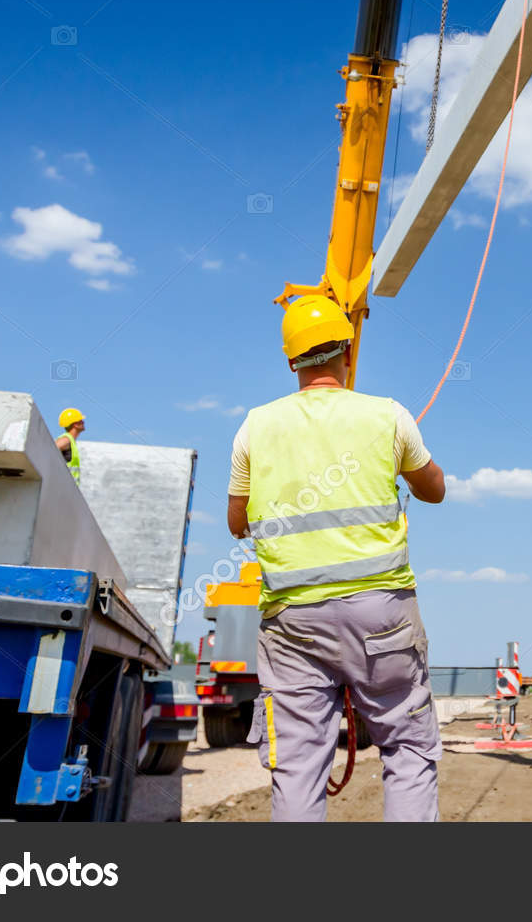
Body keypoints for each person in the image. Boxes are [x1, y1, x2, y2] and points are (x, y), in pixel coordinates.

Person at [227, 293, 446, 822]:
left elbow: (237, 524)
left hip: (293, 620)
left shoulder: (254, 426)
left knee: (299, 765)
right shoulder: (388, 415)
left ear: (290, 360)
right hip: (381, 614)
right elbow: (434, 489)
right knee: (407, 749)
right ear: (348, 351)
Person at [55, 408, 85, 482]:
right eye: (81, 420)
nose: (83, 422)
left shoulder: (70, 441)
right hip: (63, 487)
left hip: (69, 489)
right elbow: (49, 450)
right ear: (75, 424)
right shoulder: (66, 440)